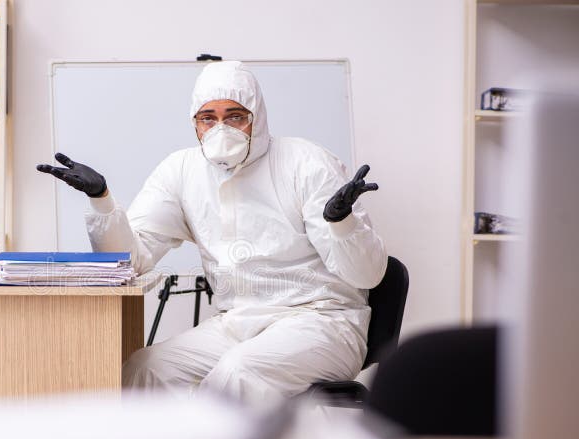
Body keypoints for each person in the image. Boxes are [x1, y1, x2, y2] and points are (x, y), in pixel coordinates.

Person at [38, 61, 387, 404]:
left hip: (323, 321)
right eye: (208, 118)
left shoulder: (307, 163)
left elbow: (366, 275)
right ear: (195, 123)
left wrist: (343, 224)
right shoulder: (182, 170)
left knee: (239, 373)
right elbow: (133, 261)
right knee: (145, 370)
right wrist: (102, 201)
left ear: (257, 116)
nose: (221, 129)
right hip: (238, 322)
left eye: (235, 116)